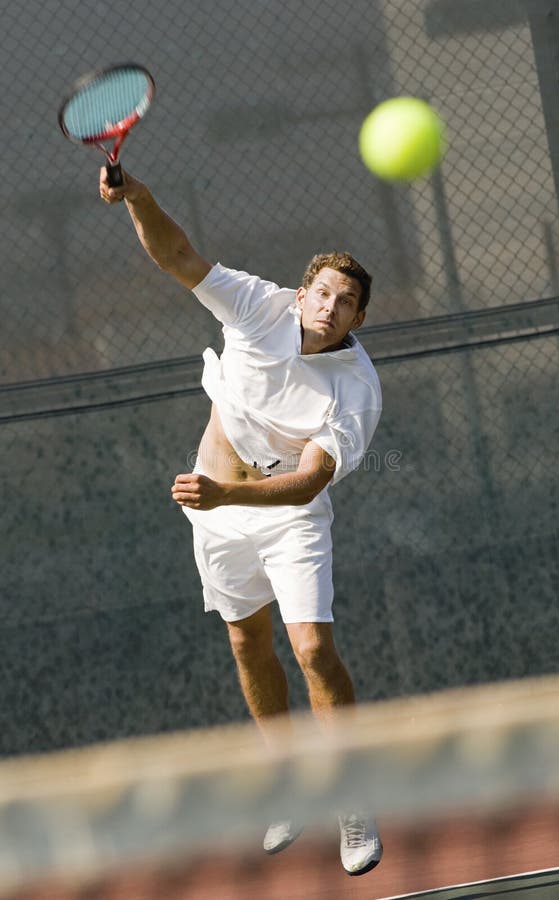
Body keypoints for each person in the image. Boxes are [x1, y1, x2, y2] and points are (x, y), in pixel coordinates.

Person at [99, 167, 383, 876]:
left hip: (287, 518)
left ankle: (352, 795)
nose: (330, 305)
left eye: (346, 302)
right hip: (216, 518)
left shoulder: (355, 392)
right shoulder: (259, 307)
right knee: (245, 641)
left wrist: (227, 497)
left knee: (312, 650)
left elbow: (310, 479)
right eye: (322, 292)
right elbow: (177, 256)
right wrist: (138, 196)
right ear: (301, 294)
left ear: (358, 320)